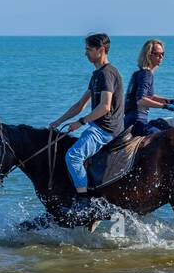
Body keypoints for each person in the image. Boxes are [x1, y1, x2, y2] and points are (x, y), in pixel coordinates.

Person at [49, 33, 125, 202]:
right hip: (97, 127)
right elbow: (80, 105)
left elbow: (105, 106)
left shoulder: (107, 74)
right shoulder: (97, 75)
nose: (86, 53)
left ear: (101, 50)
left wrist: (81, 122)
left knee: (73, 156)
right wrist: (59, 121)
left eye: (89, 49)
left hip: (106, 129)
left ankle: (84, 201)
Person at [124, 38, 174, 137]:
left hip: (130, 121)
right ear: (148, 55)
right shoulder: (146, 75)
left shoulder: (139, 73)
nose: (161, 57)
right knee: (165, 138)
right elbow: (141, 100)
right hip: (136, 123)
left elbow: (149, 96)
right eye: (157, 54)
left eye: (162, 54)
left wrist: (170, 101)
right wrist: (165, 106)